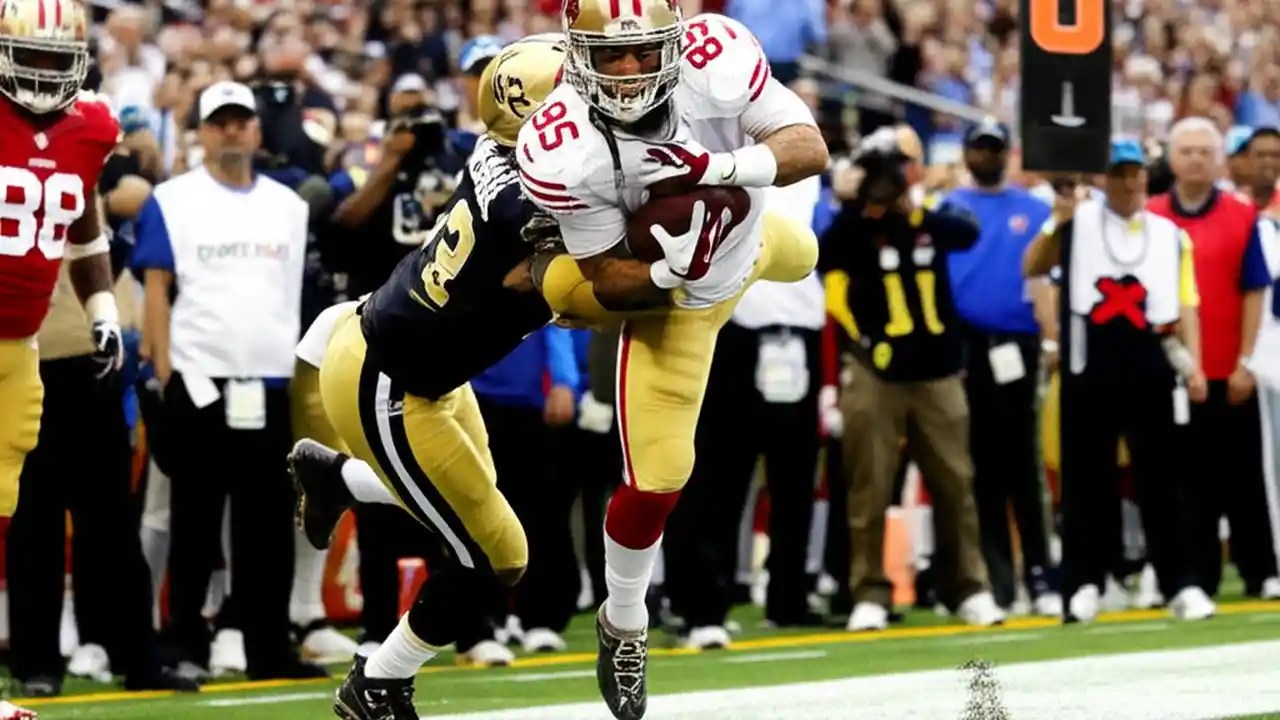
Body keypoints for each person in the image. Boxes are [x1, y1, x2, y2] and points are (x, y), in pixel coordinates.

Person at [513, 5, 829, 717]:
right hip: (677, 302)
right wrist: (665, 275)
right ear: (575, 54)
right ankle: (625, 622)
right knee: (659, 477)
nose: (627, 72)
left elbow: (809, 148)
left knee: (804, 250)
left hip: (752, 246)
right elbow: (605, 271)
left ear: (676, 44)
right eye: (610, 56)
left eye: (642, 53)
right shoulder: (562, 143)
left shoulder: (716, 56)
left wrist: (717, 166)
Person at [287, 36, 568, 720]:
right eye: (571, 104)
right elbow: (551, 270)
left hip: (422, 364)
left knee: (476, 505)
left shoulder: (501, 153)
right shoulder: (523, 201)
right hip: (389, 378)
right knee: (496, 555)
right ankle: (379, 680)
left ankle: (339, 480)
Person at [131, 81, 321, 680]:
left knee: (268, 524)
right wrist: (159, 373)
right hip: (198, 380)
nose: (233, 130)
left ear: (258, 131)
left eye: (243, 120)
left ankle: (268, 646)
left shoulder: (290, 208)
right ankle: (185, 642)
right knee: (194, 520)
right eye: (221, 121)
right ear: (203, 131)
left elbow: (294, 295)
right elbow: (156, 290)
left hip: (268, 381)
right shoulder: (171, 198)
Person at [1024, 139, 1215, 623]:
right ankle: (1086, 580)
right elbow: (1034, 268)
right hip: (1094, 356)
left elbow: (1185, 301)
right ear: (1103, 178)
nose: (1130, 183)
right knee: (1088, 477)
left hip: (1150, 354)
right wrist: (1058, 220)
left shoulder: (1170, 234)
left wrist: (1193, 364)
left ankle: (1179, 583)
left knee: (1162, 479)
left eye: (1137, 173)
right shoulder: (1079, 221)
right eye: (1120, 173)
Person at [819, 128, 1001, 633]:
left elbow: (965, 233)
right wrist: (853, 201)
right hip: (876, 370)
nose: (888, 181)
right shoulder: (853, 225)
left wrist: (911, 205)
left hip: (938, 370)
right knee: (869, 485)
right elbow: (824, 260)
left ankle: (967, 586)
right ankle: (869, 590)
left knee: (954, 483)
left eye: (896, 169)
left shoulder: (928, 218)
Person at [1147, 118, 1280, 600]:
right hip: (1177, 372)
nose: (1197, 159)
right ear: (1171, 158)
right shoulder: (1152, 215)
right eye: (1187, 151)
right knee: (1188, 480)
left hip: (1232, 367)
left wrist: (1248, 360)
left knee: (1245, 475)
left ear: (1220, 158)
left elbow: (1255, 292)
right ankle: (1197, 575)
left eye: (1206, 151)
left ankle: (1261, 569)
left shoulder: (1244, 216)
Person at [945, 119, 1060, 616]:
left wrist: (1052, 335)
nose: (987, 156)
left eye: (994, 148)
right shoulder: (947, 209)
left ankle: (1040, 572)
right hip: (966, 345)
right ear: (968, 154)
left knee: (1022, 463)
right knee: (980, 467)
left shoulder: (1034, 210)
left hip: (1020, 342)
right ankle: (997, 578)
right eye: (979, 148)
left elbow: (1044, 280)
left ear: (1007, 153)